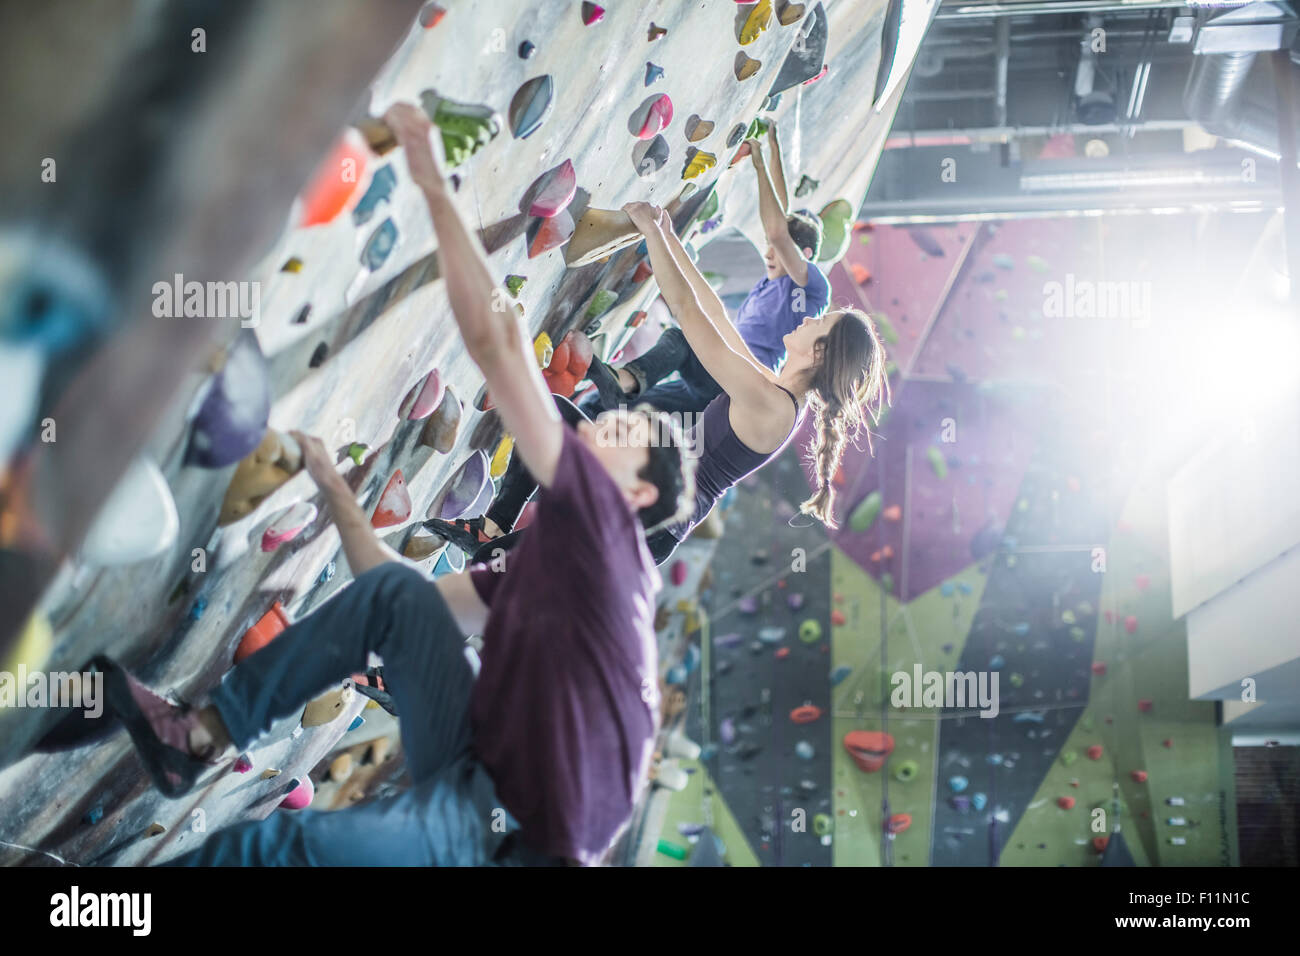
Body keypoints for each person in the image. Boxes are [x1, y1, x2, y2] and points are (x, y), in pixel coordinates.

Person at [82, 102, 695, 867]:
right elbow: (399, 605)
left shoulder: (609, 536)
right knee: (401, 602)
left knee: (276, 849)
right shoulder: (560, 567)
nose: (601, 425)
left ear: (636, 497)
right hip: (488, 776)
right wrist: (338, 495)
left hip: (518, 843)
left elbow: (501, 344)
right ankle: (197, 741)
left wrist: (433, 178)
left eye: (622, 436)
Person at [431, 126, 835, 557]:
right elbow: (713, 312)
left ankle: (493, 558)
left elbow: (691, 310)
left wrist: (653, 232)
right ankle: (493, 532)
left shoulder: (776, 400)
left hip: (656, 516)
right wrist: (666, 233)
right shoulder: (775, 388)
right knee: (555, 415)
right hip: (648, 479)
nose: (813, 318)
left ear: (820, 353)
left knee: (511, 574)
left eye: (822, 324)